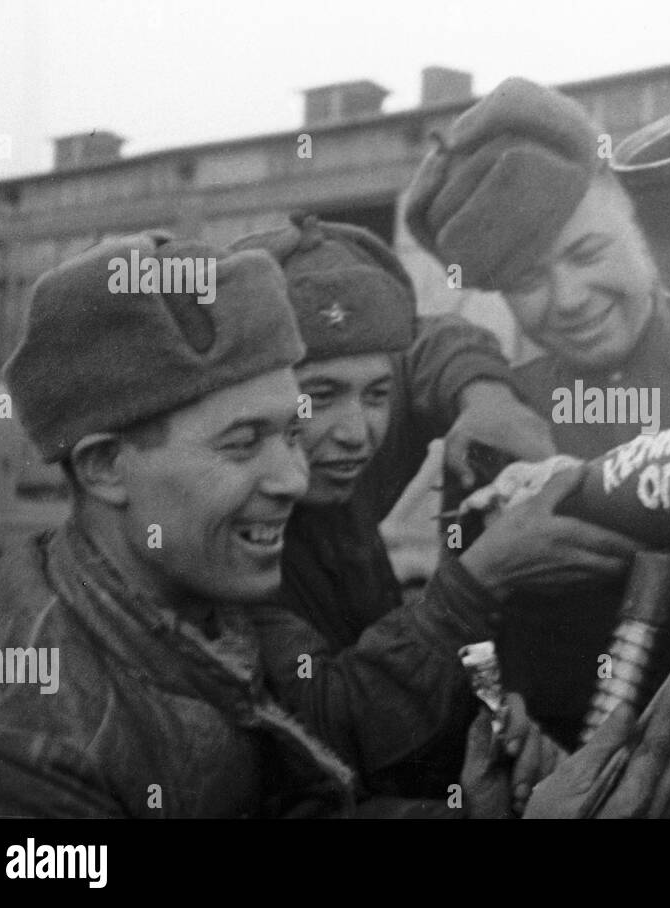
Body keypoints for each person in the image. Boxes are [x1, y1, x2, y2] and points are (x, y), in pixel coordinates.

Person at [0, 231, 670, 819]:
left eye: (287, 430)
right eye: (243, 443)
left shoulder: (188, 591)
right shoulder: (22, 743)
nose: (295, 477)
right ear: (107, 466)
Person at [406, 77, 670, 817]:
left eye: (587, 251)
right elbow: (467, 643)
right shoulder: (497, 430)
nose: (567, 298)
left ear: (637, 221)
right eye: (526, 281)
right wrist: (504, 731)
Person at [230, 214, 641, 806]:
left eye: (376, 395)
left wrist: (486, 396)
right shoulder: (228, 531)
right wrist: (480, 580)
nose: (356, 434)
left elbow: (432, 341)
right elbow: (329, 728)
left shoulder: (326, 476)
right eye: (318, 396)